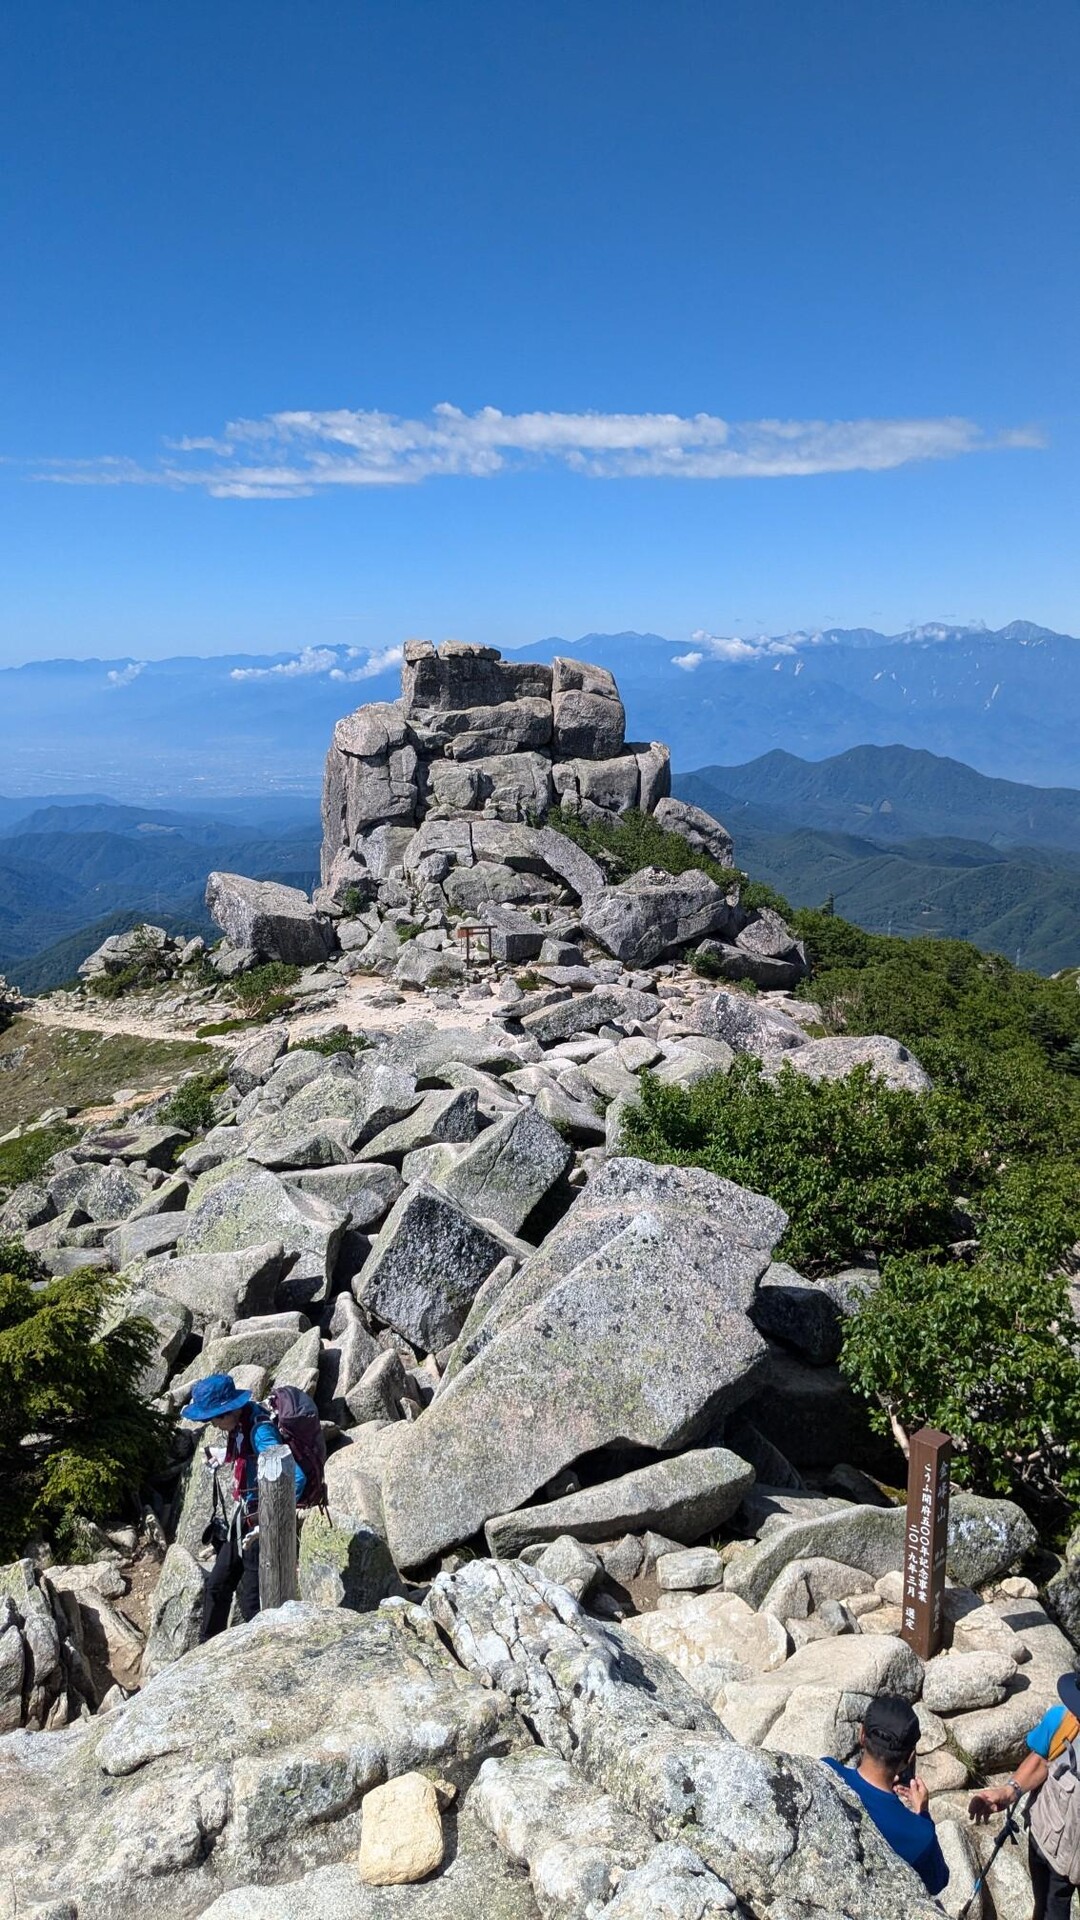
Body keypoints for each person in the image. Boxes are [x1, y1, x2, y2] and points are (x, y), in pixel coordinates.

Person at [182, 1372, 306, 1640]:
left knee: (253, 1604)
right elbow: (245, 1454)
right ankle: (206, 1649)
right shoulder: (242, 1421)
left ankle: (259, 1657)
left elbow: (296, 1477)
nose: (212, 1425)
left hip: (259, 1529)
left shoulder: (260, 1431)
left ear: (228, 1411)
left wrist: (268, 1524)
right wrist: (222, 1456)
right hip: (243, 1522)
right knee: (216, 1585)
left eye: (213, 1418)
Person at [970, 1671, 1080, 1918]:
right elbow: (1041, 1760)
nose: (1074, 1712)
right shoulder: (1062, 1720)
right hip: (1047, 1841)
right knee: (1047, 1910)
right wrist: (1009, 1792)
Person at [822, 1695, 949, 1897]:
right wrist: (922, 1813)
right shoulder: (920, 1833)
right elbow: (937, 1882)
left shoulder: (825, 1771)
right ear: (909, 1758)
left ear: (862, 1735)